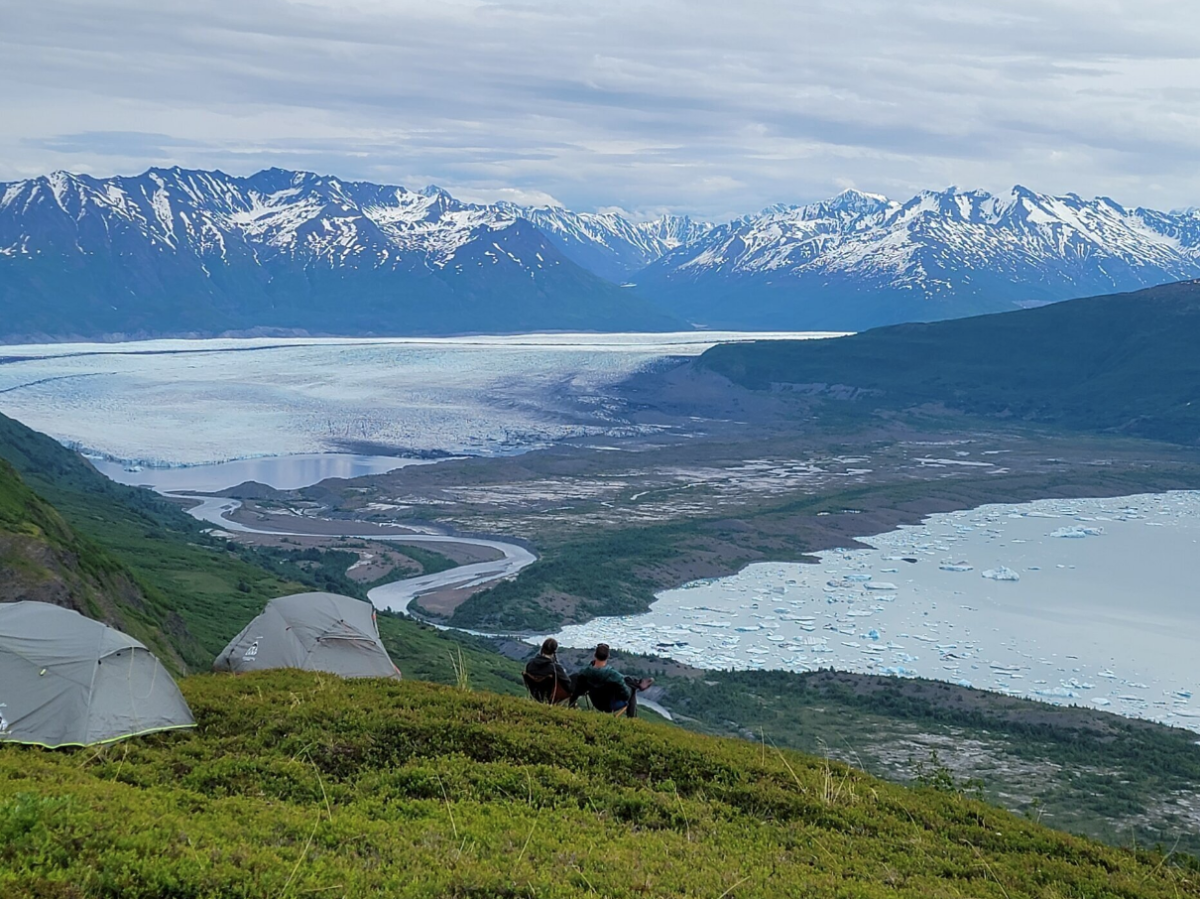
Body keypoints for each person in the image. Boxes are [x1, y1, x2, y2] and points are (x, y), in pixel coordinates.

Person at [571, 643, 653, 716]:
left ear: (595, 655)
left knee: (623, 678)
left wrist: (571, 704)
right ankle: (631, 718)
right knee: (632, 690)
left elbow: (577, 690)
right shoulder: (613, 675)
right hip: (610, 706)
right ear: (608, 656)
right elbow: (625, 695)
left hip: (595, 703)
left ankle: (636, 683)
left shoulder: (585, 672)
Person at [523, 637, 573, 703]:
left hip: (535, 694)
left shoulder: (530, 663)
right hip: (550, 696)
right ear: (554, 651)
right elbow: (569, 686)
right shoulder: (555, 668)